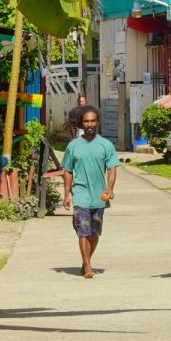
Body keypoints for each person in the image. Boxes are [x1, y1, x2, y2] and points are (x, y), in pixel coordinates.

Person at [56, 107, 119, 279]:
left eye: (92, 121)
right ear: (81, 123)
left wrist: (110, 188)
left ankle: (85, 261)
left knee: (94, 232)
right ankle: (88, 266)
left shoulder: (106, 145)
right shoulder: (73, 146)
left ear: (97, 122)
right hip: (81, 193)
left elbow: (112, 168)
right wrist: (67, 194)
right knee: (83, 230)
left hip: (99, 195)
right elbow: (67, 170)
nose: (89, 124)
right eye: (86, 121)